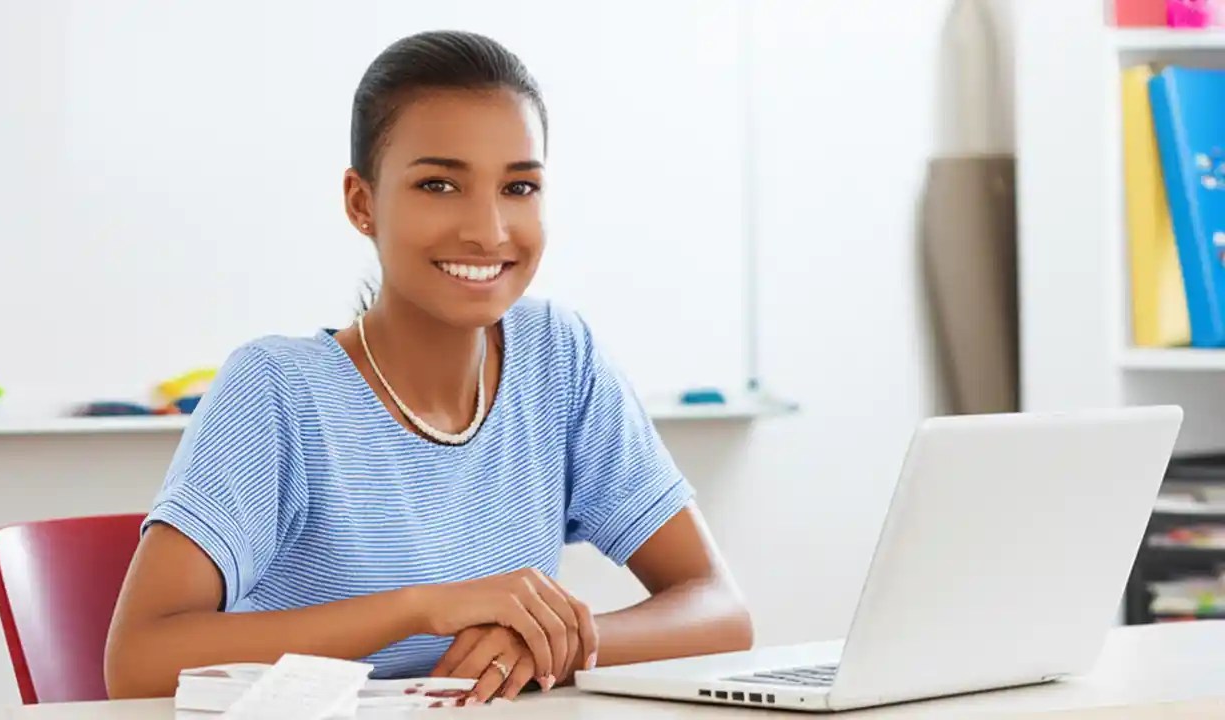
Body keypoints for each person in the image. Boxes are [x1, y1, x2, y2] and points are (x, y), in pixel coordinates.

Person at [104, 29, 752, 705]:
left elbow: (720, 608)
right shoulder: (278, 391)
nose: (488, 230)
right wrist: (421, 607)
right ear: (362, 203)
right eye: (439, 185)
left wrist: (546, 646)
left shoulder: (559, 357)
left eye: (519, 186)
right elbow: (138, 660)